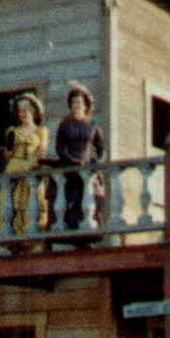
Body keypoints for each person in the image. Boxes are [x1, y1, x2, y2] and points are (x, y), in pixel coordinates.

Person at [50, 81, 107, 235]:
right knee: (71, 194)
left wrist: (95, 162)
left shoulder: (92, 125)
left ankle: (90, 225)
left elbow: (100, 149)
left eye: (80, 102)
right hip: (70, 164)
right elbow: (60, 148)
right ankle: (72, 225)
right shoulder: (65, 124)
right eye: (74, 102)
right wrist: (71, 160)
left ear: (85, 105)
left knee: (91, 190)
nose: (76, 105)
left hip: (87, 164)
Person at [0, 92, 48, 248]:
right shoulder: (13, 131)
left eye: (26, 110)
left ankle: (31, 238)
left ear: (33, 111)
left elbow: (42, 150)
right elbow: (8, 154)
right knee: (13, 201)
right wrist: (8, 149)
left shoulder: (40, 131)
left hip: (31, 168)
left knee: (34, 202)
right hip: (15, 167)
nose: (23, 114)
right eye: (20, 110)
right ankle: (15, 237)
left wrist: (35, 162)